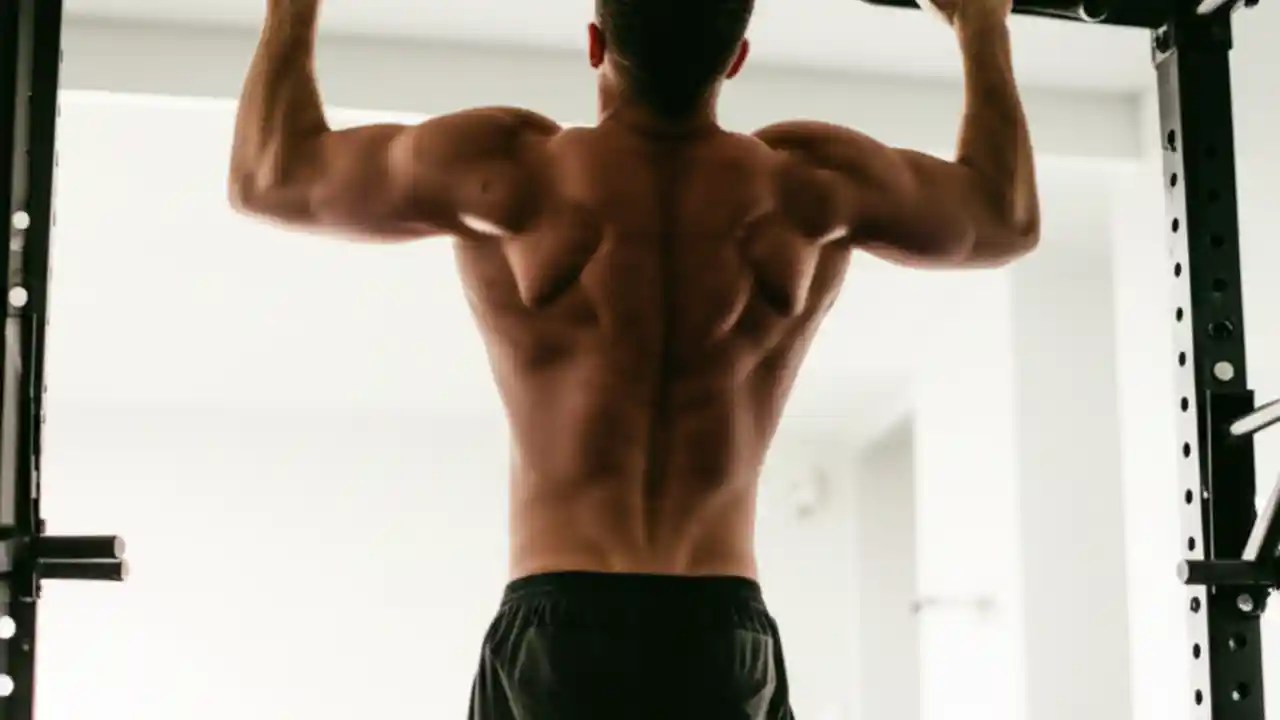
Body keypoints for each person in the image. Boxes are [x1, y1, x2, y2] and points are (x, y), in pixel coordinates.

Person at [228, 0, 1039, 716]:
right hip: (720, 633)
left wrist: (294, 5)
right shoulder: (808, 186)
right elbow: (1004, 217)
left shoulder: (509, 173)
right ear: (735, 58)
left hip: (560, 634)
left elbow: (269, 175)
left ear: (595, 42)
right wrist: (980, 25)